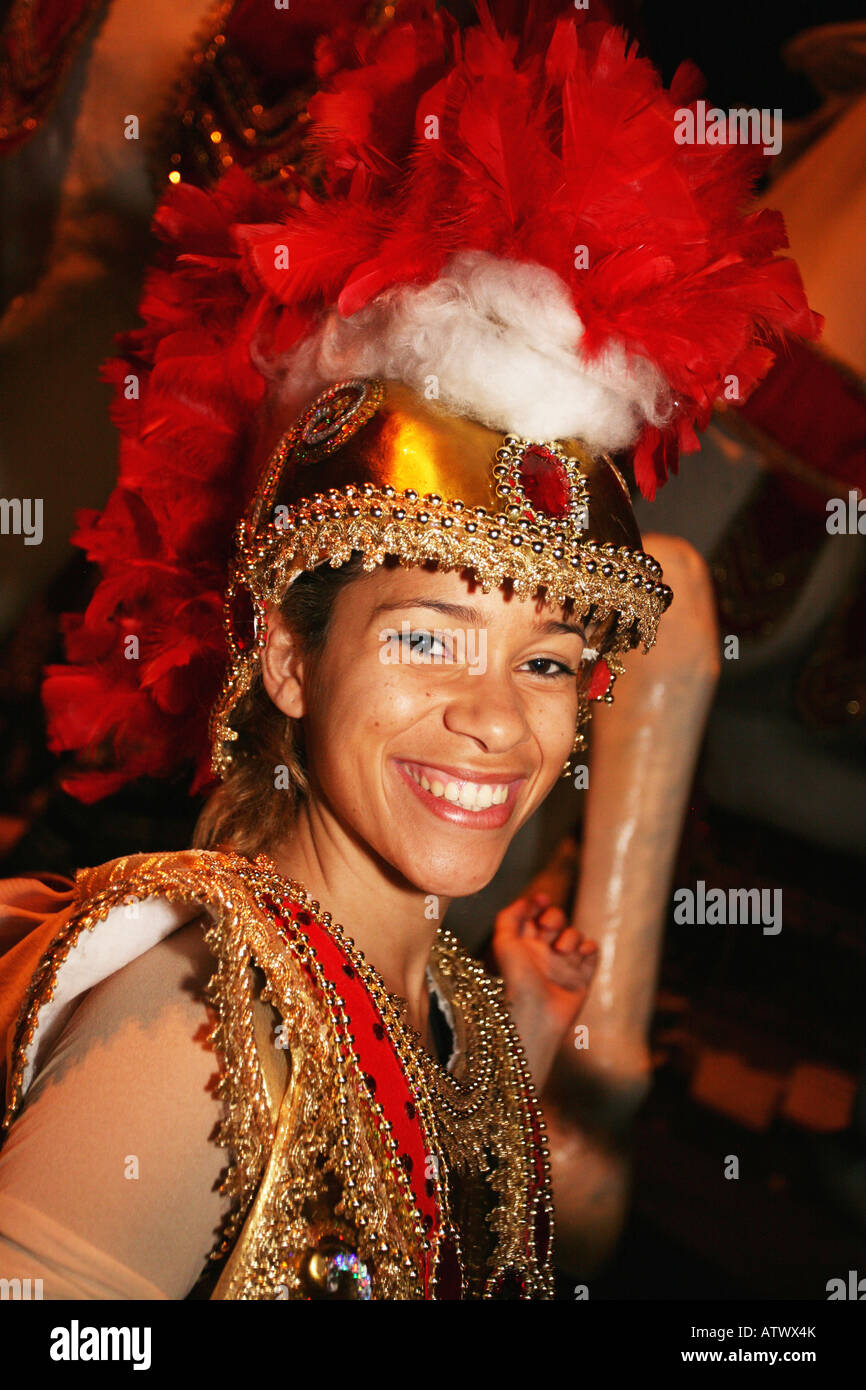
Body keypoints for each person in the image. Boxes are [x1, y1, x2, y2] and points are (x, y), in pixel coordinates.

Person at [0, 3, 817, 1299]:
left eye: (548, 660)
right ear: (282, 653)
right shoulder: (194, 1032)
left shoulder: (461, 1013)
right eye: (430, 634)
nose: (499, 718)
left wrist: (545, 1050)